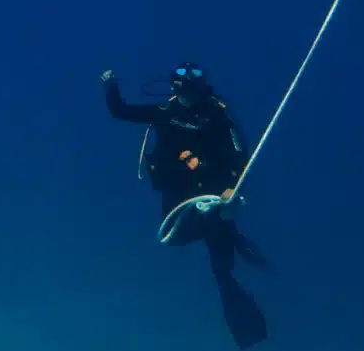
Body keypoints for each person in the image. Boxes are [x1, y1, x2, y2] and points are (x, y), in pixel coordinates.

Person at [105, 62, 269, 349]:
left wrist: (232, 189)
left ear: (202, 90)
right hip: (180, 194)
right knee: (176, 237)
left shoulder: (217, 114)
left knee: (222, 268)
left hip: (216, 195)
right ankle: (229, 239)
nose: (187, 99)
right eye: (181, 92)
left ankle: (250, 332)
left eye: (192, 92)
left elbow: (240, 153)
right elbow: (121, 111)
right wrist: (110, 87)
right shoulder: (166, 112)